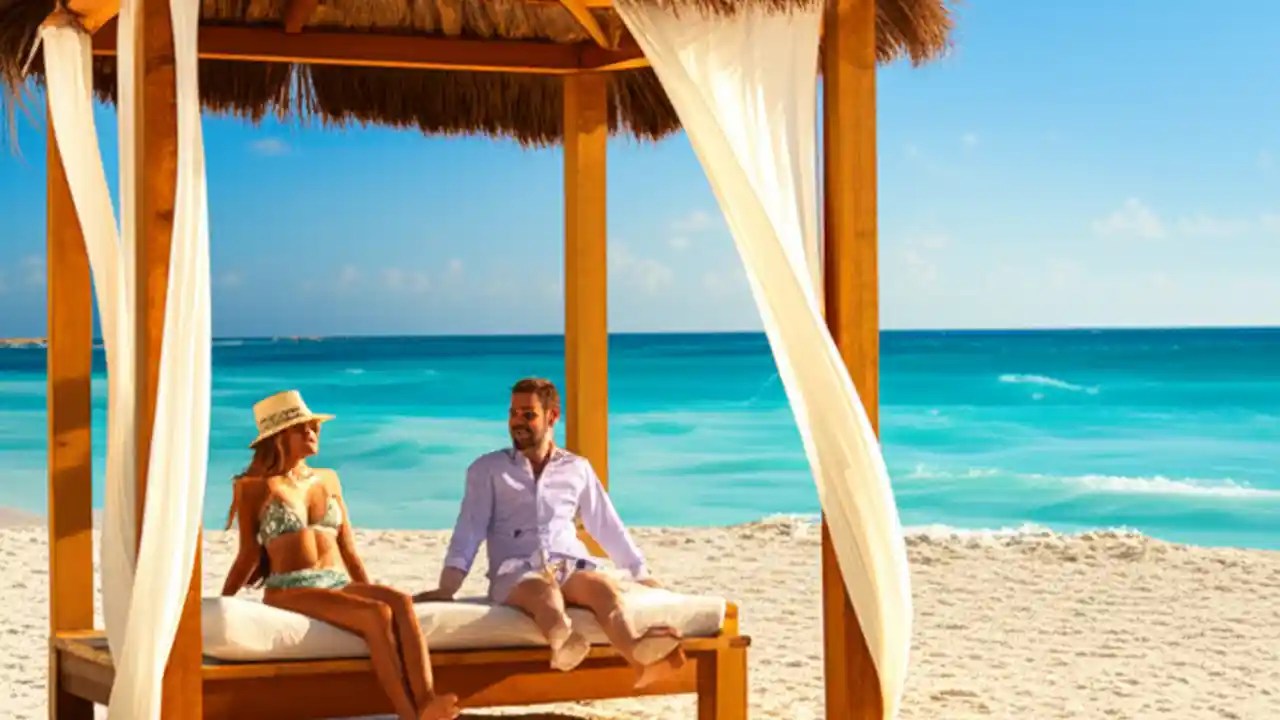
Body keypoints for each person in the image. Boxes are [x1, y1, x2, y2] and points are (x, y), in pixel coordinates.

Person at [414, 377, 684, 688]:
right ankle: (563, 641)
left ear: (552, 416)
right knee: (545, 594)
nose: (517, 422)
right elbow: (469, 528)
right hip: (515, 572)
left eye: (528, 414)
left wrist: (640, 573)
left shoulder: (576, 468)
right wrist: (448, 586)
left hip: (567, 564)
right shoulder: (487, 470)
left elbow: (606, 524)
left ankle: (637, 653)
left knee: (602, 589)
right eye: (513, 413)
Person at [222, 390, 459, 720]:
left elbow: (348, 547)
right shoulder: (254, 486)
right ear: (279, 436)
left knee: (400, 603)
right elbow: (248, 552)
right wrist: (224, 601)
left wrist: (368, 588)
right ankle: (409, 715)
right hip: (290, 588)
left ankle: (427, 702)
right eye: (301, 427)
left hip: (335, 581)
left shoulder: (329, 478)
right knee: (376, 615)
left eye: (314, 426)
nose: (312, 432)